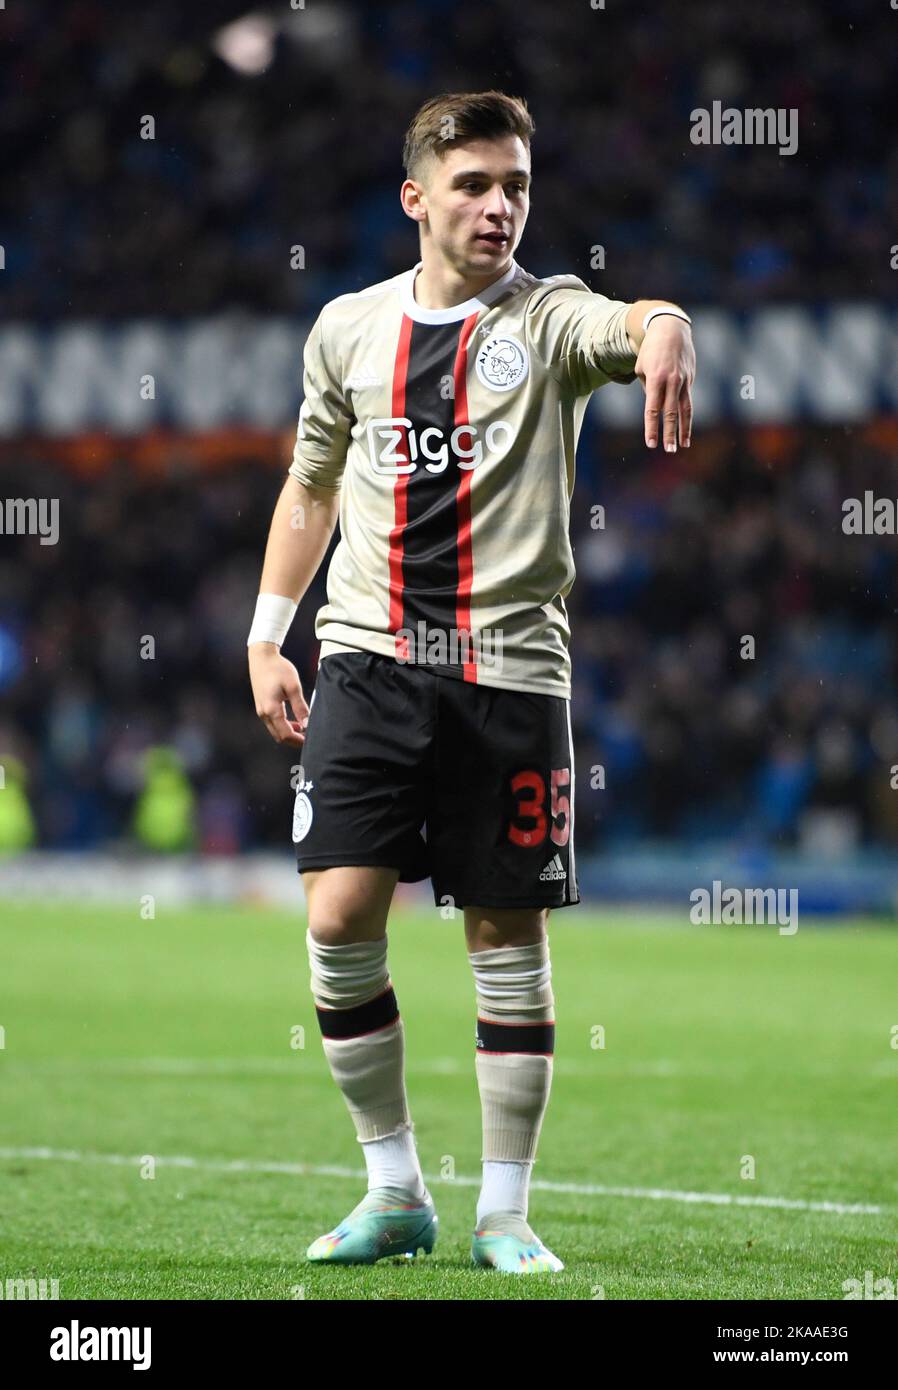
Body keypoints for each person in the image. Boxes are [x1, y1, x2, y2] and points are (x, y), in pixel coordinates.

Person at [248, 90, 695, 1273]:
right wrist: (264, 631)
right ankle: (393, 1186)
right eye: (473, 185)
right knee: (340, 914)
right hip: (365, 658)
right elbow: (308, 485)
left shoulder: (545, 318)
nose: (498, 207)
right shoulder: (346, 329)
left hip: (507, 671)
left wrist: (665, 323)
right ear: (417, 198)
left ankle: (504, 1211)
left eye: (515, 187)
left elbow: (626, 320)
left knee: (504, 933)